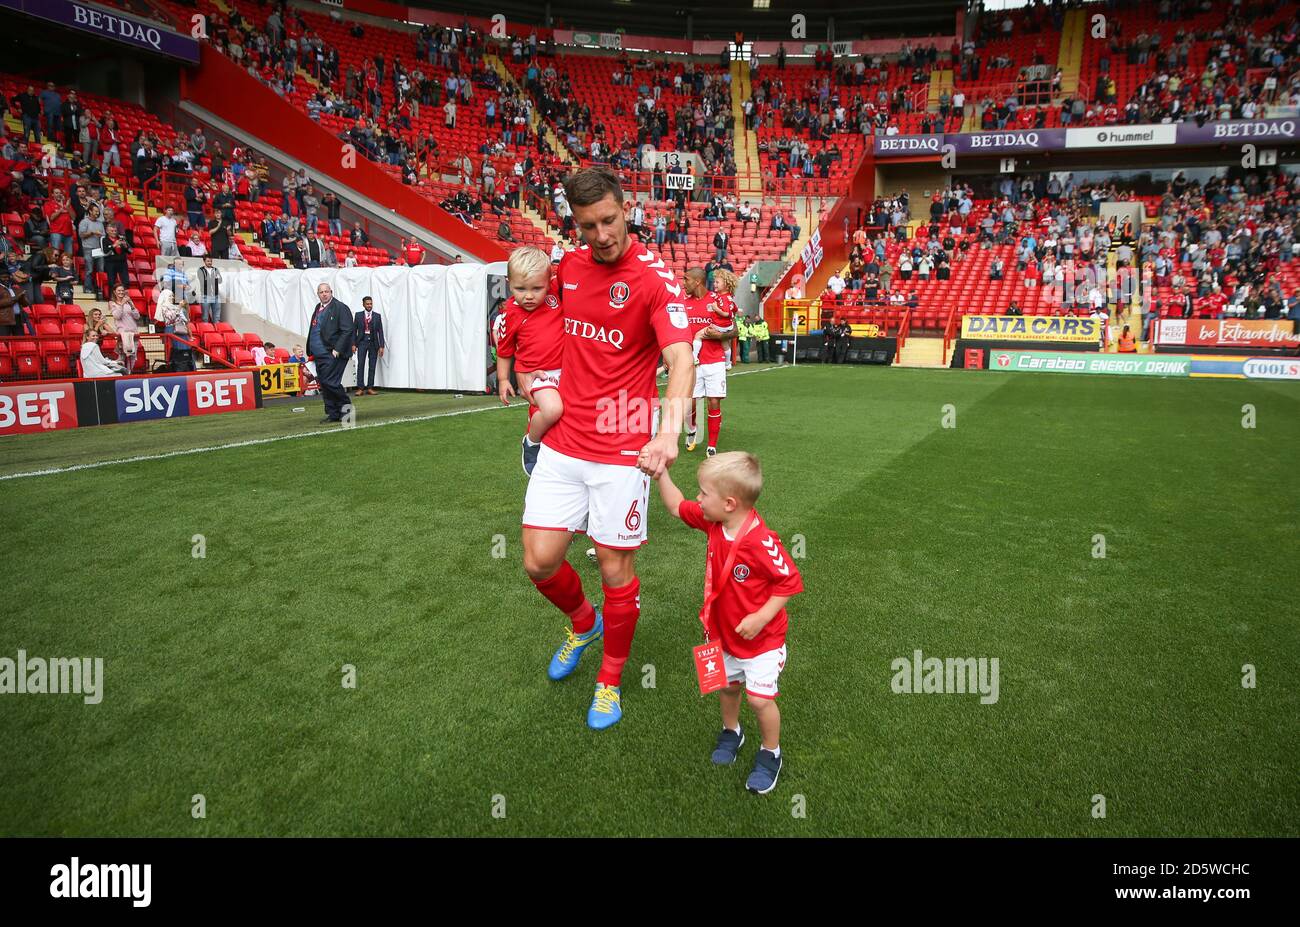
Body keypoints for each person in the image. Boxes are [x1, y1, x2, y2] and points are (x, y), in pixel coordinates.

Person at [521, 166, 693, 731]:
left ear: (628, 209)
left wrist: (668, 431)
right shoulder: (566, 268)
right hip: (566, 440)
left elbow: (680, 359)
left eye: (610, 220)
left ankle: (610, 680)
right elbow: (531, 320)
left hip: (624, 446)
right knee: (539, 562)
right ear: (575, 224)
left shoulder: (654, 278)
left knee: (616, 570)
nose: (602, 235)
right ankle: (582, 621)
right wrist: (525, 375)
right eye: (588, 225)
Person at [652, 451, 803, 794]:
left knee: (759, 700)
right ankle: (732, 731)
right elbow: (677, 507)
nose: (698, 499)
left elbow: (789, 582)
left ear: (730, 503)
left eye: (704, 493)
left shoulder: (762, 542)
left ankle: (770, 752)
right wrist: (661, 475)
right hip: (721, 633)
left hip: (762, 640)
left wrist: (762, 616)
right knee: (727, 686)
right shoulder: (713, 521)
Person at [494, 246, 565, 475]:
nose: (529, 295)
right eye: (520, 288)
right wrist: (503, 379)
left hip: (566, 372)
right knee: (553, 410)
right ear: (508, 282)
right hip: (538, 374)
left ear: (549, 280)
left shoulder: (556, 292)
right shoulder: (510, 313)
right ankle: (531, 442)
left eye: (537, 288)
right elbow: (504, 349)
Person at [685, 268, 737, 455]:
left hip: (714, 360)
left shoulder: (716, 300)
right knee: (689, 402)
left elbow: (734, 330)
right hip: (693, 362)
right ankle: (691, 430)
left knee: (713, 402)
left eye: (686, 279)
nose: (684, 283)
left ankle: (712, 445)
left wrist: (719, 334)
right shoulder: (684, 304)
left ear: (697, 282)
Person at [307, 282, 354, 423]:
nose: (324, 294)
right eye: (321, 292)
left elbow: (347, 330)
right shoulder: (318, 308)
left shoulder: (340, 307)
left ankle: (347, 411)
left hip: (333, 353)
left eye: (326, 291)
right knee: (325, 384)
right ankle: (333, 413)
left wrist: (337, 349)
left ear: (331, 292)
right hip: (319, 355)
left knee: (330, 382)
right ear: (318, 294)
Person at [351, 295, 386, 395]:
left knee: (372, 365)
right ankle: (360, 388)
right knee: (360, 364)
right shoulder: (358, 315)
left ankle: (370, 387)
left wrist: (381, 346)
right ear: (363, 304)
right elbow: (354, 331)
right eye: (367, 304)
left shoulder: (377, 316)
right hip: (361, 342)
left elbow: (381, 332)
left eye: (371, 303)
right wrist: (353, 344)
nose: (369, 305)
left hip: (373, 343)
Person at [109, 284, 142, 374]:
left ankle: (129, 373)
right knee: (122, 356)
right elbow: (117, 316)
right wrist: (122, 304)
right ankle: (122, 374)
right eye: (119, 290)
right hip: (123, 333)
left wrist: (131, 305)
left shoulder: (129, 302)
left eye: (122, 290)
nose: (121, 292)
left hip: (133, 332)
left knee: (132, 356)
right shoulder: (112, 303)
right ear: (114, 292)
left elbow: (137, 316)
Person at [195, 256, 222, 326]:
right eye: (208, 261)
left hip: (216, 296)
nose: (210, 262)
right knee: (205, 317)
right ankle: (206, 332)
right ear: (204, 261)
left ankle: (217, 333)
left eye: (210, 261)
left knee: (217, 317)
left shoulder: (215, 269)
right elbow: (203, 281)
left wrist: (211, 279)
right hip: (206, 296)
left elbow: (220, 280)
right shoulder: (200, 270)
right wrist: (214, 278)